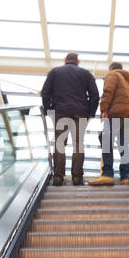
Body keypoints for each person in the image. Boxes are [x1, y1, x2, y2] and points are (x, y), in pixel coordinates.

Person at [40, 51, 99, 185]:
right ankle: (77, 177)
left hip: (60, 112)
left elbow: (45, 92)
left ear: (65, 60)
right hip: (81, 112)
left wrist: (48, 111)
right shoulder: (86, 73)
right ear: (78, 61)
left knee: (60, 143)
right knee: (79, 144)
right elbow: (95, 95)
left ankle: (58, 177)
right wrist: (90, 113)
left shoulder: (55, 72)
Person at [90, 62, 129, 186]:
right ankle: (125, 176)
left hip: (115, 115)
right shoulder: (128, 85)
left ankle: (107, 174)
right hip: (127, 117)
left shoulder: (112, 75)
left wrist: (103, 110)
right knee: (123, 147)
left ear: (111, 68)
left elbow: (108, 92)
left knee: (105, 140)